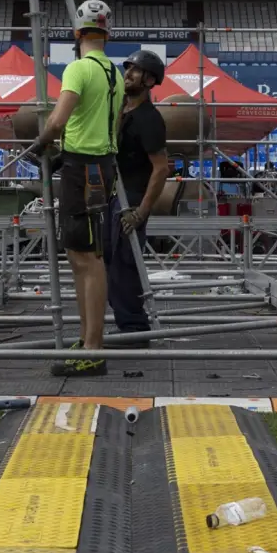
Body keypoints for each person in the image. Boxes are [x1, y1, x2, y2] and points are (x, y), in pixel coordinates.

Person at [32, 0, 123, 376]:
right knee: (81, 256)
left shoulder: (79, 68)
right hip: (98, 166)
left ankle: (93, 347)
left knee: (88, 259)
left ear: (77, 34)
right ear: (107, 32)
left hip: (82, 168)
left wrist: (42, 143)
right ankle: (88, 338)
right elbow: (110, 125)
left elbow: (57, 119)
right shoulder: (114, 73)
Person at [106, 49, 171, 346]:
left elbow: (161, 169)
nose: (128, 74)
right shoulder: (120, 110)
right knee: (109, 263)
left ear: (149, 80)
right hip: (111, 195)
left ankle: (134, 330)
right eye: (127, 68)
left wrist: (141, 212)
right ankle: (126, 324)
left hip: (130, 198)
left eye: (135, 71)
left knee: (125, 266)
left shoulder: (149, 119)